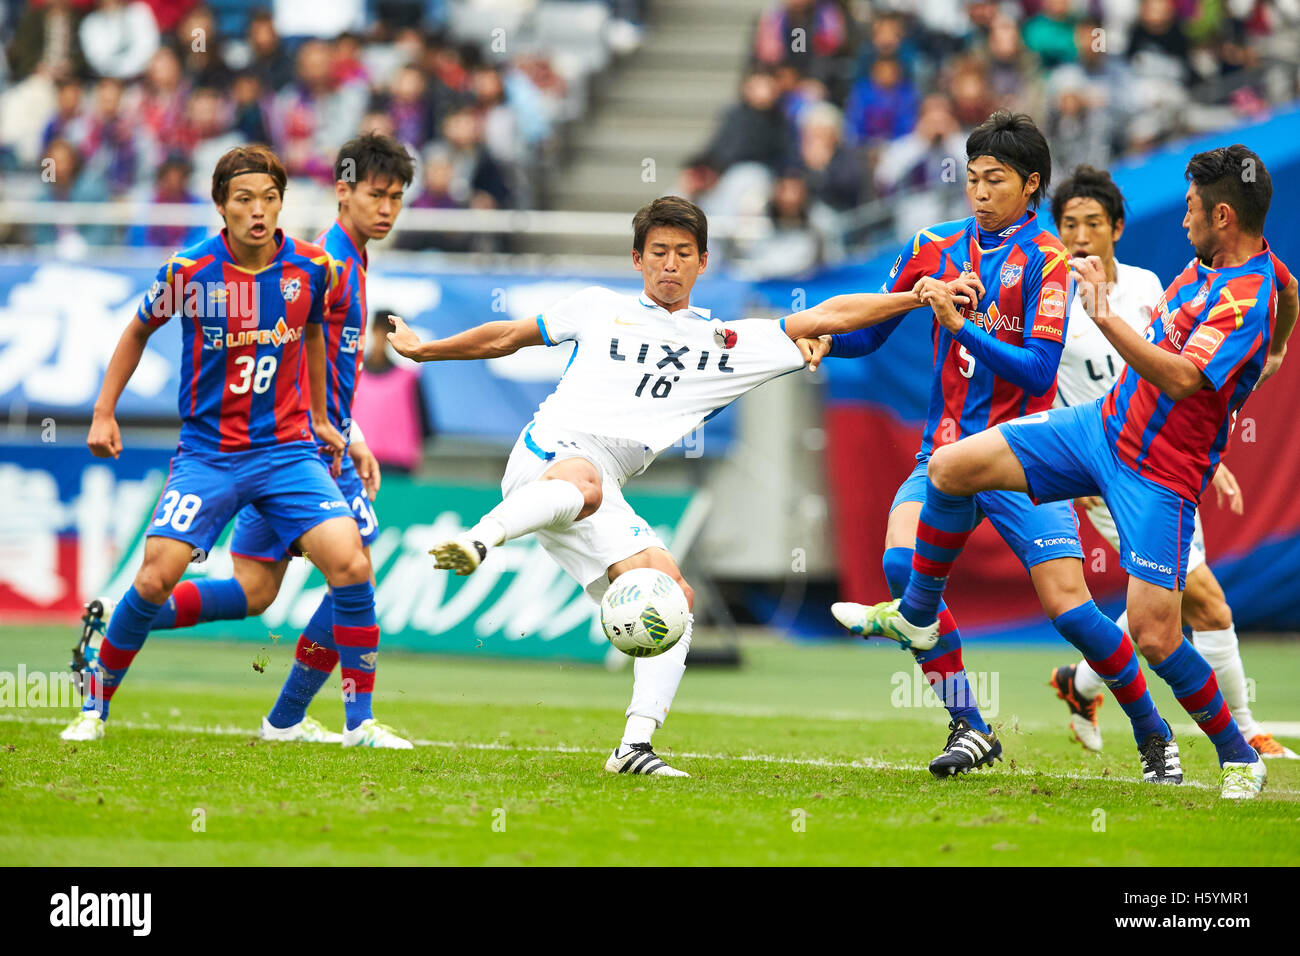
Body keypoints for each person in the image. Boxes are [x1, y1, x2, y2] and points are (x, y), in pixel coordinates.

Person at [385, 195, 978, 775]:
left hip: (599, 487)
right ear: (637, 260)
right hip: (546, 457)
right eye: (659, 251)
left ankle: (634, 747)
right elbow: (506, 337)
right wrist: (424, 350)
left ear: (703, 261)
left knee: (673, 597)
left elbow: (826, 316)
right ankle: (482, 539)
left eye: (683, 253)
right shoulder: (595, 307)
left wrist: (915, 296)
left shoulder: (727, 344)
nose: (670, 263)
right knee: (585, 479)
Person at [845, 145, 1292, 799]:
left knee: (1155, 632)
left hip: (1158, 476)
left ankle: (1234, 751)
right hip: (1098, 430)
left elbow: (1184, 376)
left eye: (1192, 207)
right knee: (949, 465)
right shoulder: (1216, 269)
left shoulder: (1241, 294)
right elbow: (1291, 290)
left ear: (1223, 215)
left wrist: (1106, 316)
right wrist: (1274, 354)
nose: (1185, 217)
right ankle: (918, 617)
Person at [805, 112, 1182, 788]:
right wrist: (825, 341)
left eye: (995, 180)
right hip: (943, 452)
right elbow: (875, 330)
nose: (978, 192)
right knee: (900, 564)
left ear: (1031, 184)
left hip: (1018, 458)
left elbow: (1038, 371)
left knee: (1072, 611)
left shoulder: (1049, 261)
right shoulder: (932, 245)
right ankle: (970, 725)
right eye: (972, 178)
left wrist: (960, 324)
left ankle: (1154, 733)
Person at [60, 145, 377, 746]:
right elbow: (135, 331)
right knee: (155, 578)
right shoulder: (189, 271)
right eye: (244, 199)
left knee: (351, 563)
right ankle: (93, 706)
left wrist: (320, 417)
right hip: (208, 455)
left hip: (287, 452)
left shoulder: (312, 268)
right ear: (221, 206)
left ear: (282, 202)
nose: (258, 211)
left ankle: (359, 724)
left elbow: (313, 333)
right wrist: (104, 413)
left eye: (270, 198)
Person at [1045, 164, 1299, 760]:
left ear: (1117, 228)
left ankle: (1079, 682)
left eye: (1092, 223)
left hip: (1169, 466)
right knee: (1201, 600)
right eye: (1068, 224)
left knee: (1159, 608)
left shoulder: (1148, 286)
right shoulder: (1051, 300)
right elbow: (1034, 388)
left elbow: (1179, 375)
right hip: (1107, 465)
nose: (1079, 236)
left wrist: (1275, 353)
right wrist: (1067, 473)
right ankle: (1245, 733)